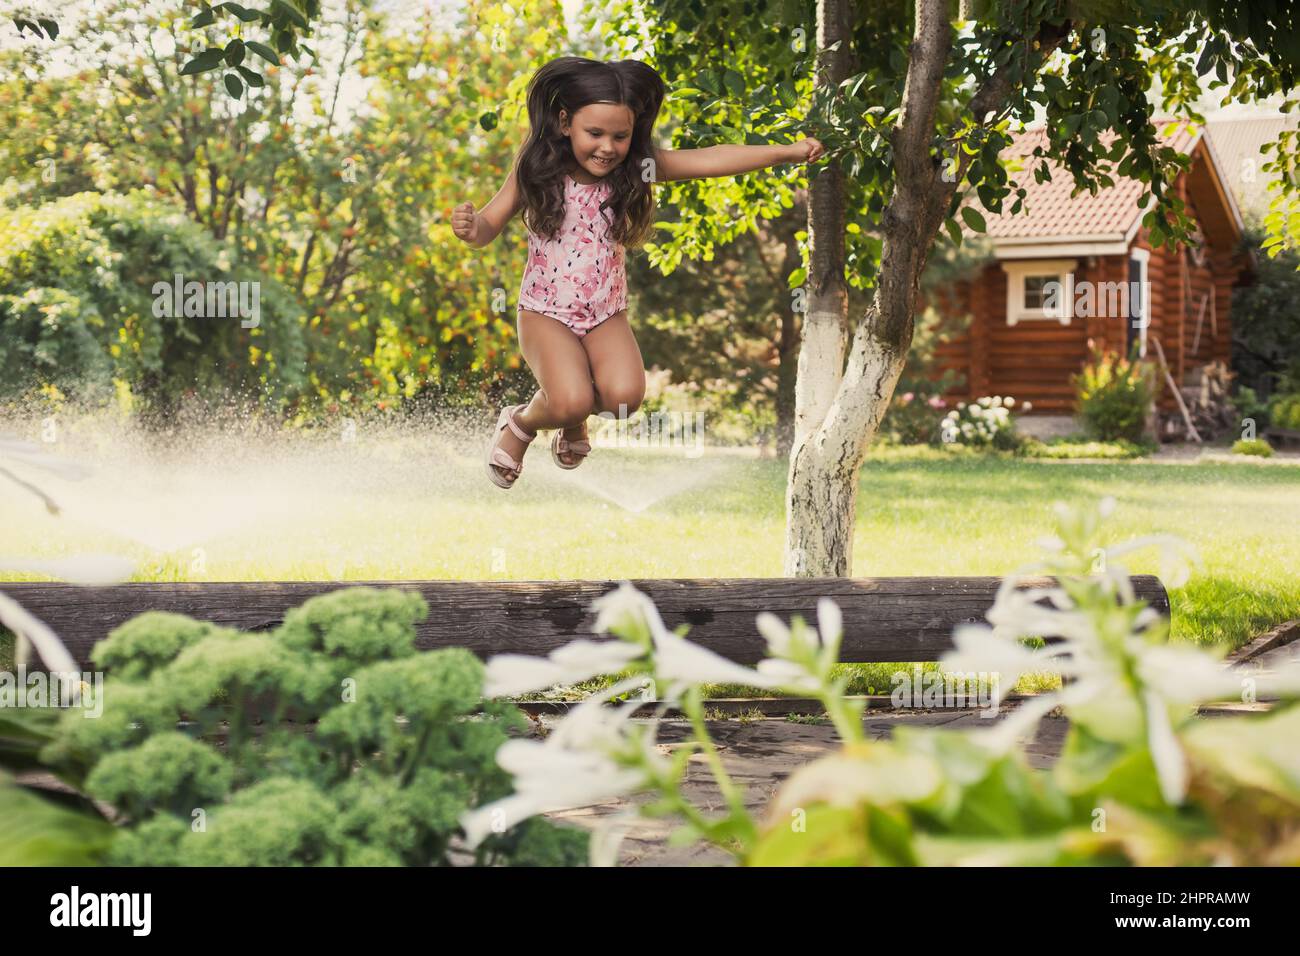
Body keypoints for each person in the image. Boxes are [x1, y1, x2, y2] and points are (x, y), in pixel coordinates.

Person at [451, 55, 823, 488]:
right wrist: (471, 226)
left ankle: (573, 415)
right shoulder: (536, 169)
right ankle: (522, 423)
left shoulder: (636, 169)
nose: (607, 147)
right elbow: (486, 227)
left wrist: (786, 152)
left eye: (620, 136)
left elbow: (710, 159)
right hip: (544, 313)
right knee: (571, 400)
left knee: (624, 401)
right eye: (595, 133)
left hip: (606, 314)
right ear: (564, 121)